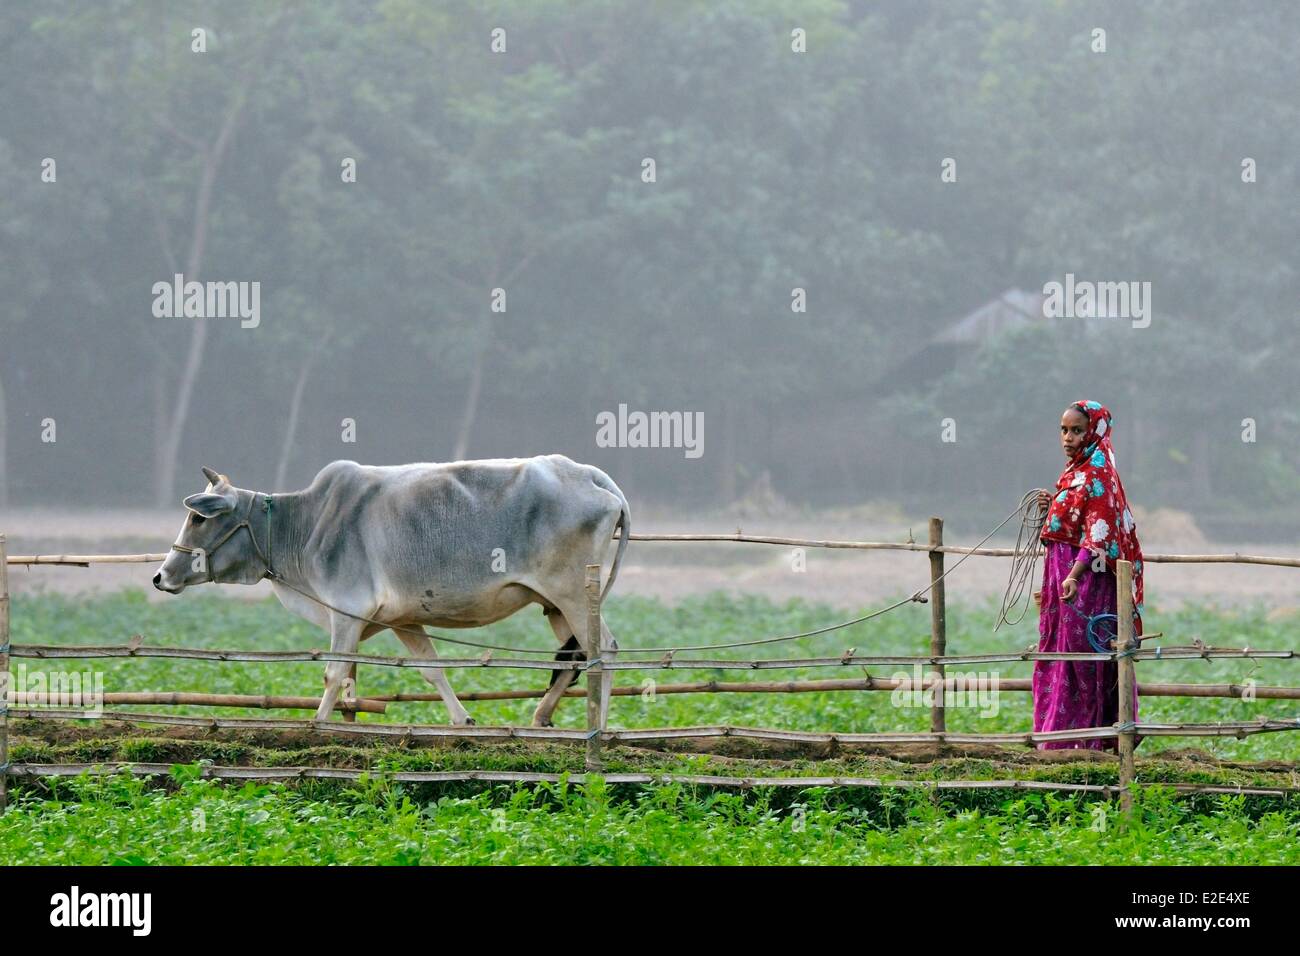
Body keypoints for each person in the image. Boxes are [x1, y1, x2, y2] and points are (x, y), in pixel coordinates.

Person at [1032, 400, 1144, 751]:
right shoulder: (1075, 472)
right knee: (1058, 655)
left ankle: (1084, 741)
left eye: (1077, 430)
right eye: (1064, 430)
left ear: (1094, 431)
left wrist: (1074, 576)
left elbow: (1100, 536)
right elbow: (1075, 523)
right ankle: (1055, 737)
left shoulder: (1099, 474)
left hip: (1088, 581)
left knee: (1084, 661)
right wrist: (1052, 506)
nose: (1068, 437)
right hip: (1063, 576)